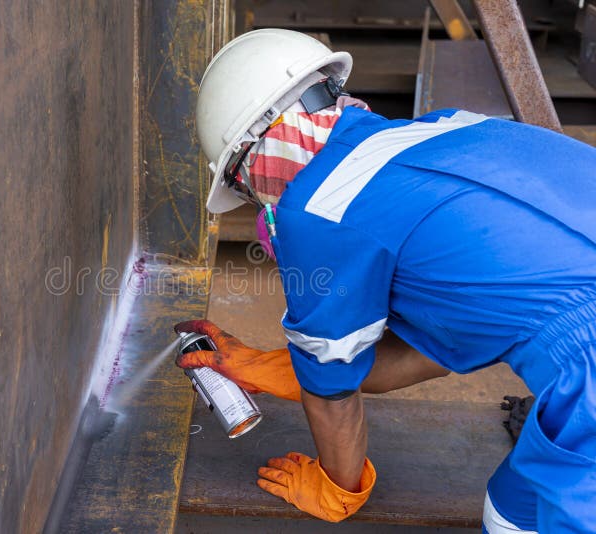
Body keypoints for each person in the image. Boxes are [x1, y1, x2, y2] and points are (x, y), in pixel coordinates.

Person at [175, 28, 596, 533]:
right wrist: (273, 368)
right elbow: (438, 349)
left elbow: (333, 392)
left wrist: (338, 484)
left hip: (588, 371)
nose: (260, 206)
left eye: (245, 186)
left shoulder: (317, 209)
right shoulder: (443, 132)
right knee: (512, 510)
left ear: (253, 152)